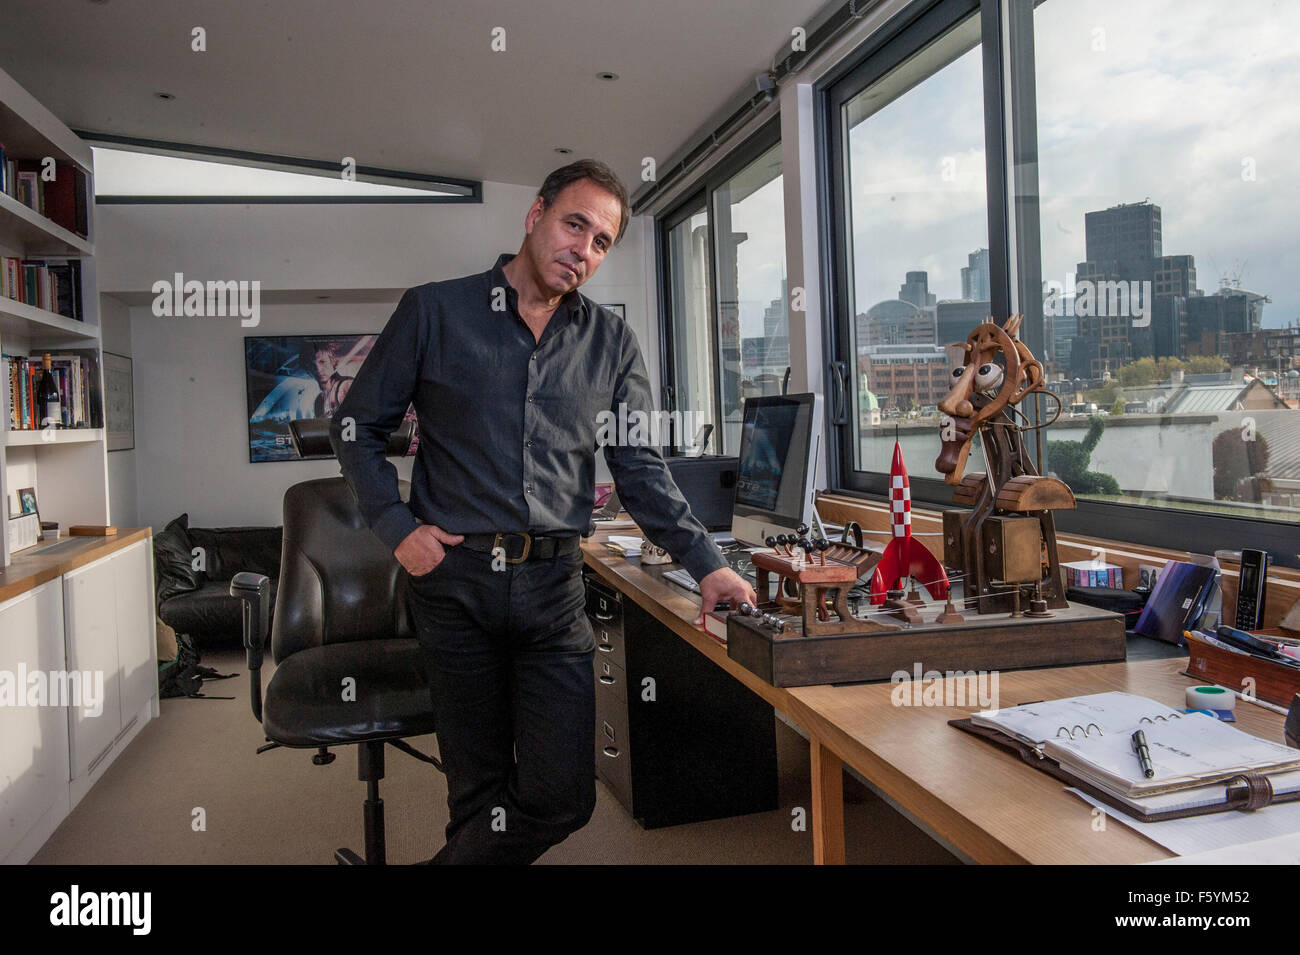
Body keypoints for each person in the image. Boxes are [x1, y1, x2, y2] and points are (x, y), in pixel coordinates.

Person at [330, 159, 754, 865]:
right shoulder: (434, 311)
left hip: (553, 589)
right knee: (477, 792)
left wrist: (707, 564)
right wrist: (397, 528)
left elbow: (640, 468)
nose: (583, 249)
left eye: (601, 241)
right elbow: (355, 428)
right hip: (454, 583)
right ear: (535, 215)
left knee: (563, 795)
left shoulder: (612, 343)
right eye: (574, 225)